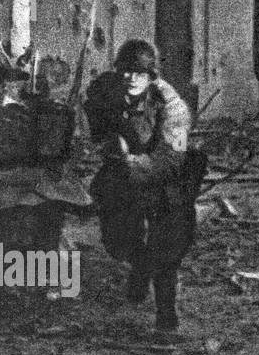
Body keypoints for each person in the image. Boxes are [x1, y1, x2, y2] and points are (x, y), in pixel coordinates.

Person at [84, 39, 207, 333]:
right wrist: (109, 142)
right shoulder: (107, 90)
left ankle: (167, 315)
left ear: (151, 76)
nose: (130, 79)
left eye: (138, 73)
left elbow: (172, 157)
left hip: (166, 178)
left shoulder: (173, 108)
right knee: (117, 241)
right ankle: (140, 264)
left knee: (168, 246)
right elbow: (94, 117)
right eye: (125, 71)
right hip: (125, 174)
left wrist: (130, 162)